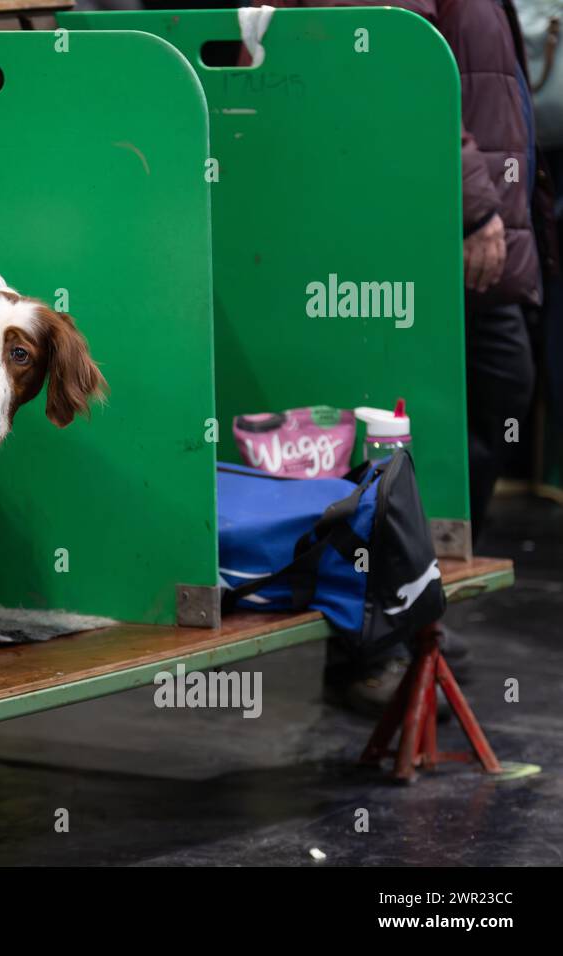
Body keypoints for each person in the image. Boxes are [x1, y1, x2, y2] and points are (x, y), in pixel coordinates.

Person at [259, 0, 557, 715]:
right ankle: (369, 632)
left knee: (488, 399)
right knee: (403, 420)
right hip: (417, 216)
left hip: (467, 218)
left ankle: (411, 601)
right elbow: (391, 71)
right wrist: (473, 207)